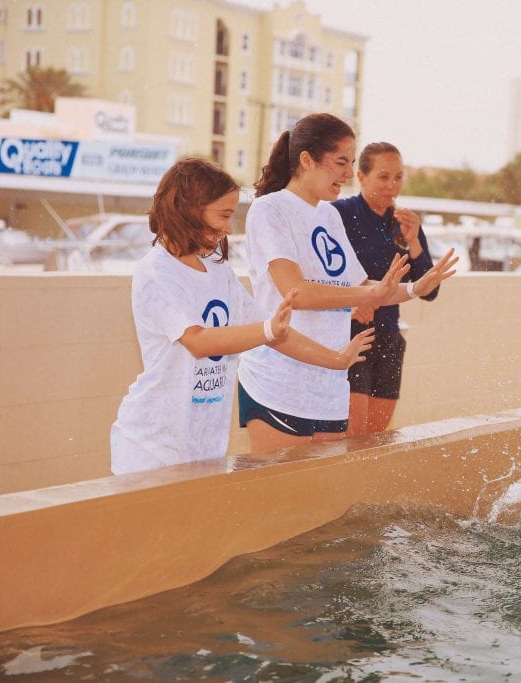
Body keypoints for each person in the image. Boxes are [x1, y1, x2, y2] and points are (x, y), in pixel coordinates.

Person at [110, 157, 375, 475]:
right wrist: (268, 330)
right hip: (152, 447)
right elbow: (198, 341)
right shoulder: (156, 271)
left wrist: (336, 359)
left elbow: (276, 333)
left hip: (203, 446)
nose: (227, 228)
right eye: (223, 215)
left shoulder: (218, 271)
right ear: (190, 208)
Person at [238, 113, 459, 454]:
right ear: (306, 160)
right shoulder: (270, 210)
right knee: (279, 495)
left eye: (351, 162)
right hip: (280, 383)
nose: (346, 173)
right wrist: (371, 292)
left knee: (326, 497)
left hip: (328, 385)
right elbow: (297, 293)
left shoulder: (327, 214)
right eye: (341, 162)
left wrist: (416, 288)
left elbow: (365, 285)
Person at [332, 142, 438, 436]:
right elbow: (320, 274)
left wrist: (414, 241)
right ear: (361, 176)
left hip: (389, 338)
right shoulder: (338, 215)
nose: (392, 185)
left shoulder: (404, 222)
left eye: (398, 177)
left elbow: (429, 290)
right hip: (352, 335)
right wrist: (354, 303)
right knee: (352, 439)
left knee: (376, 440)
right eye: (383, 176)